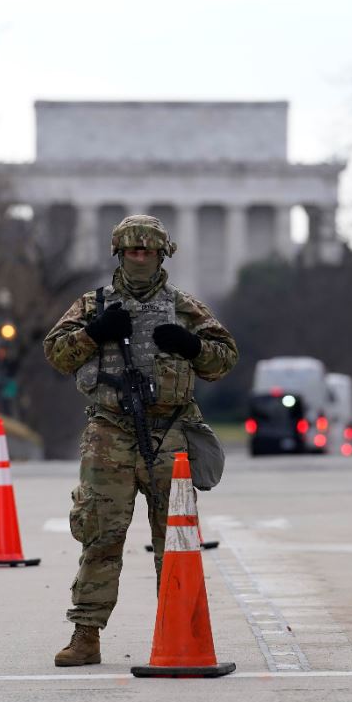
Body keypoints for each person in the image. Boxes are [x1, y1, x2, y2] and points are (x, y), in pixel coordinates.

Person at [43, 214, 238, 667]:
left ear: (161, 255)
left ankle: (178, 631)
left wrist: (191, 346)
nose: (140, 258)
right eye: (132, 251)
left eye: (147, 251)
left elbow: (224, 359)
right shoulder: (93, 305)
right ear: (119, 253)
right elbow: (55, 352)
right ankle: (86, 634)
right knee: (100, 534)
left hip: (168, 430)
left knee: (175, 540)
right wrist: (94, 333)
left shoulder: (184, 306)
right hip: (109, 431)